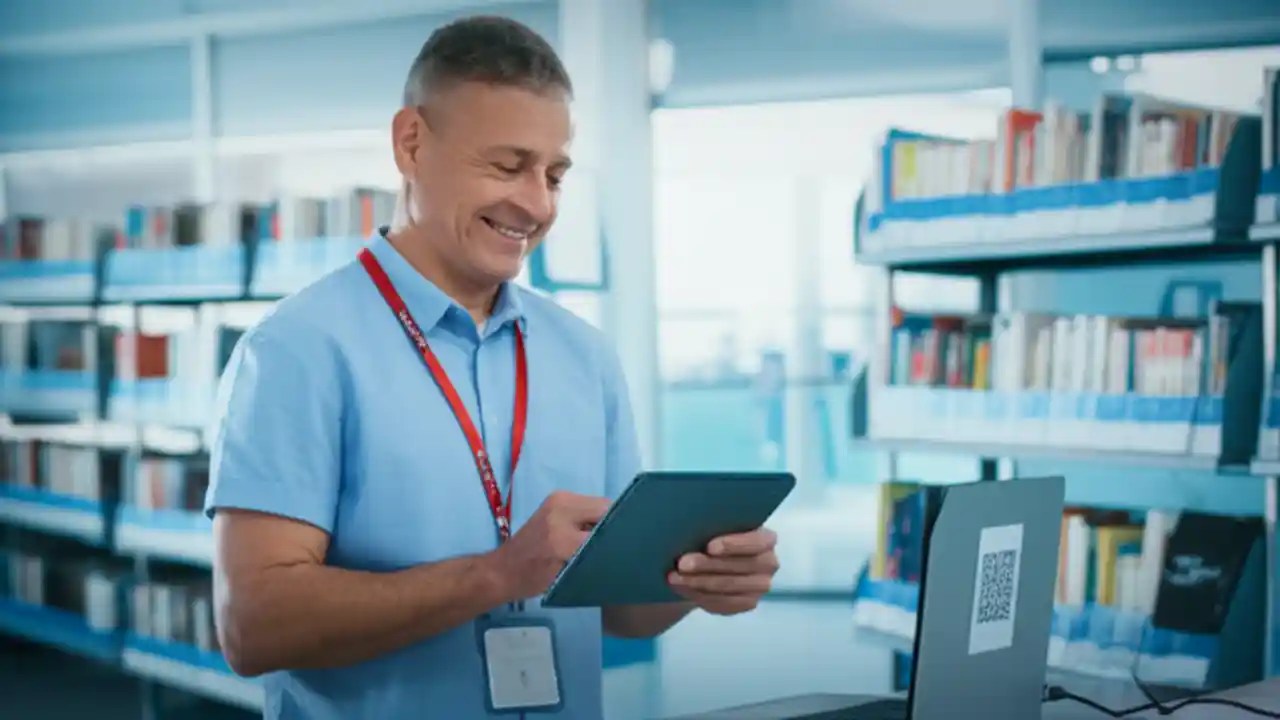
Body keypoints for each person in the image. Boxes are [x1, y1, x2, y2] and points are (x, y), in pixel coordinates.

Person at [205, 14, 781, 720]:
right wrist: (495, 574)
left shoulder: (584, 356)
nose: (537, 204)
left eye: (555, 173)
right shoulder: (296, 349)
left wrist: (700, 578)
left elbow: (624, 611)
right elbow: (253, 625)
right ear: (410, 142)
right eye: (506, 166)